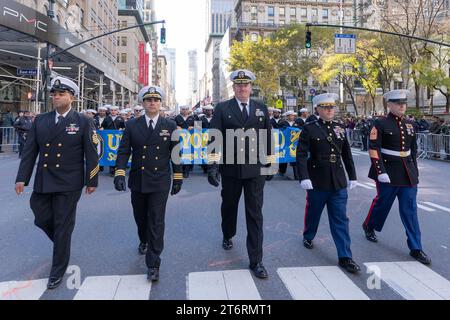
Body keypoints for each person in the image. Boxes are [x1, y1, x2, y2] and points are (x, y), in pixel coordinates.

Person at [15, 76, 99, 289]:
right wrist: (21, 179)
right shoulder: (41, 120)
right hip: (45, 179)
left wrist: (92, 179)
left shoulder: (83, 121)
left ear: (72, 97)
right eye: (54, 94)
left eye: (61, 94)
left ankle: (58, 269)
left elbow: (92, 153)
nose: (56, 97)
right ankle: (63, 245)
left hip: (70, 182)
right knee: (41, 216)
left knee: (62, 225)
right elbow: (30, 152)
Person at [207, 69, 275, 279]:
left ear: (250, 87)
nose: (242, 88)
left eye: (245, 85)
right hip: (231, 169)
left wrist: (270, 164)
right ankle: (228, 233)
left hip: (255, 170)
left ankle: (257, 260)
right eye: (238, 85)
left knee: (255, 214)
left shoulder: (261, 108)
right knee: (229, 206)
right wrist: (212, 166)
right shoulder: (222, 108)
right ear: (233, 87)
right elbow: (214, 138)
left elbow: (268, 138)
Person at [114, 85, 183, 282]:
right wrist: (120, 173)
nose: (152, 103)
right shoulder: (132, 125)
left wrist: (177, 177)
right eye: (148, 100)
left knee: (156, 220)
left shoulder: (170, 126)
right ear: (143, 103)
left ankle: (153, 263)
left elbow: (176, 154)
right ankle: (143, 239)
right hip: (138, 179)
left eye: (156, 100)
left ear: (161, 104)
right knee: (141, 218)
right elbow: (123, 151)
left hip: (159, 180)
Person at [362, 89, 431, 265]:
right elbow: (374, 148)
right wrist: (380, 171)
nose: (402, 106)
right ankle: (369, 225)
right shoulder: (380, 123)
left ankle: (416, 248)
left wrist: (414, 169)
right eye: (398, 103)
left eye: (404, 103)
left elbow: (413, 149)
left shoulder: (410, 124)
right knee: (382, 203)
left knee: (410, 210)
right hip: (388, 171)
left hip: (407, 173)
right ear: (390, 105)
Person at [296, 93, 360, 274]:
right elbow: (301, 154)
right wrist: (304, 177)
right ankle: (308, 234)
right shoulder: (309, 128)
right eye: (326, 107)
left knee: (340, 219)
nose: (330, 110)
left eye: (332, 107)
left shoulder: (340, 127)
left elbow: (346, 153)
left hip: (338, 179)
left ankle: (345, 256)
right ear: (317, 109)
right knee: (314, 212)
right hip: (317, 178)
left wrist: (353, 176)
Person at [174, 105, 195, 178]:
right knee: (180, 154)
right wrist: (176, 126)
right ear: (180, 110)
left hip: (189, 139)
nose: (185, 111)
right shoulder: (177, 118)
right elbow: (172, 126)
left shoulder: (192, 118)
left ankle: (186, 171)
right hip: (179, 139)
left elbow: (199, 126)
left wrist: (194, 127)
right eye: (183, 109)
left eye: (186, 109)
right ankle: (181, 169)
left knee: (188, 154)